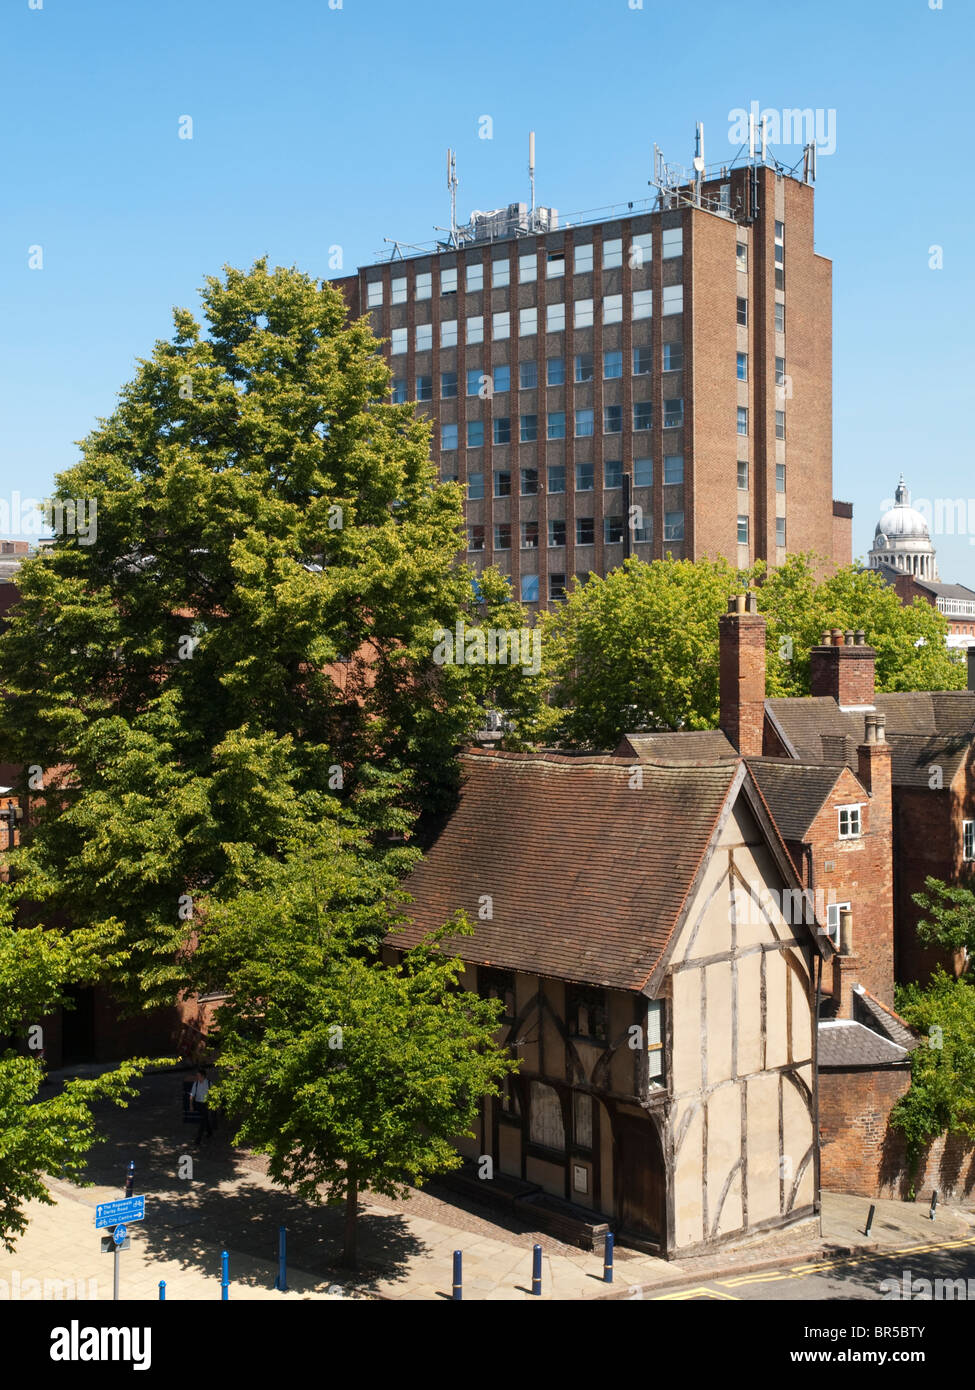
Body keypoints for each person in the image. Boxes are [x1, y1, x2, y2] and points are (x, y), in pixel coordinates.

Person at [189, 1066, 213, 1146]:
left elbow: (214, 1095)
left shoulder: (209, 1083)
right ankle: (209, 1132)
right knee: (205, 1118)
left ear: (203, 1076)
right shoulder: (196, 1084)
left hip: (206, 1104)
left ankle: (198, 1140)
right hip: (198, 1104)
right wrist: (191, 1105)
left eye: (198, 1076)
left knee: (203, 1121)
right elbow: (192, 1095)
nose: (197, 1077)